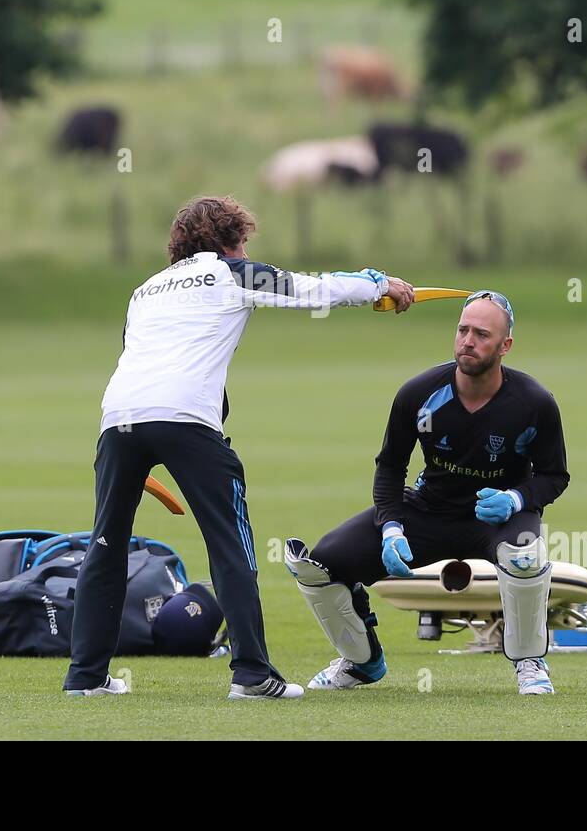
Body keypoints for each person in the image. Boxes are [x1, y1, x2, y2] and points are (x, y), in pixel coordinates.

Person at [64, 195, 415, 700]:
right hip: (182, 417)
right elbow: (311, 290)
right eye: (243, 241)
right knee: (230, 543)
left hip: (119, 419)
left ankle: (85, 679)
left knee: (105, 546)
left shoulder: (144, 291)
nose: (247, 249)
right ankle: (251, 674)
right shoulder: (231, 274)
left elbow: (145, 360)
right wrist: (378, 284)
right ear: (226, 242)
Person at [284, 290, 569, 695]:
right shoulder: (418, 394)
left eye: (482, 334)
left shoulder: (534, 403)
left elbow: (554, 476)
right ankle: (361, 663)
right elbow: (390, 468)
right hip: (428, 510)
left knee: (524, 555)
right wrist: (392, 529)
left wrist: (515, 500)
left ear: (505, 345)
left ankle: (529, 662)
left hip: (497, 518)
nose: (468, 341)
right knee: (318, 566)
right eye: (462, 330)